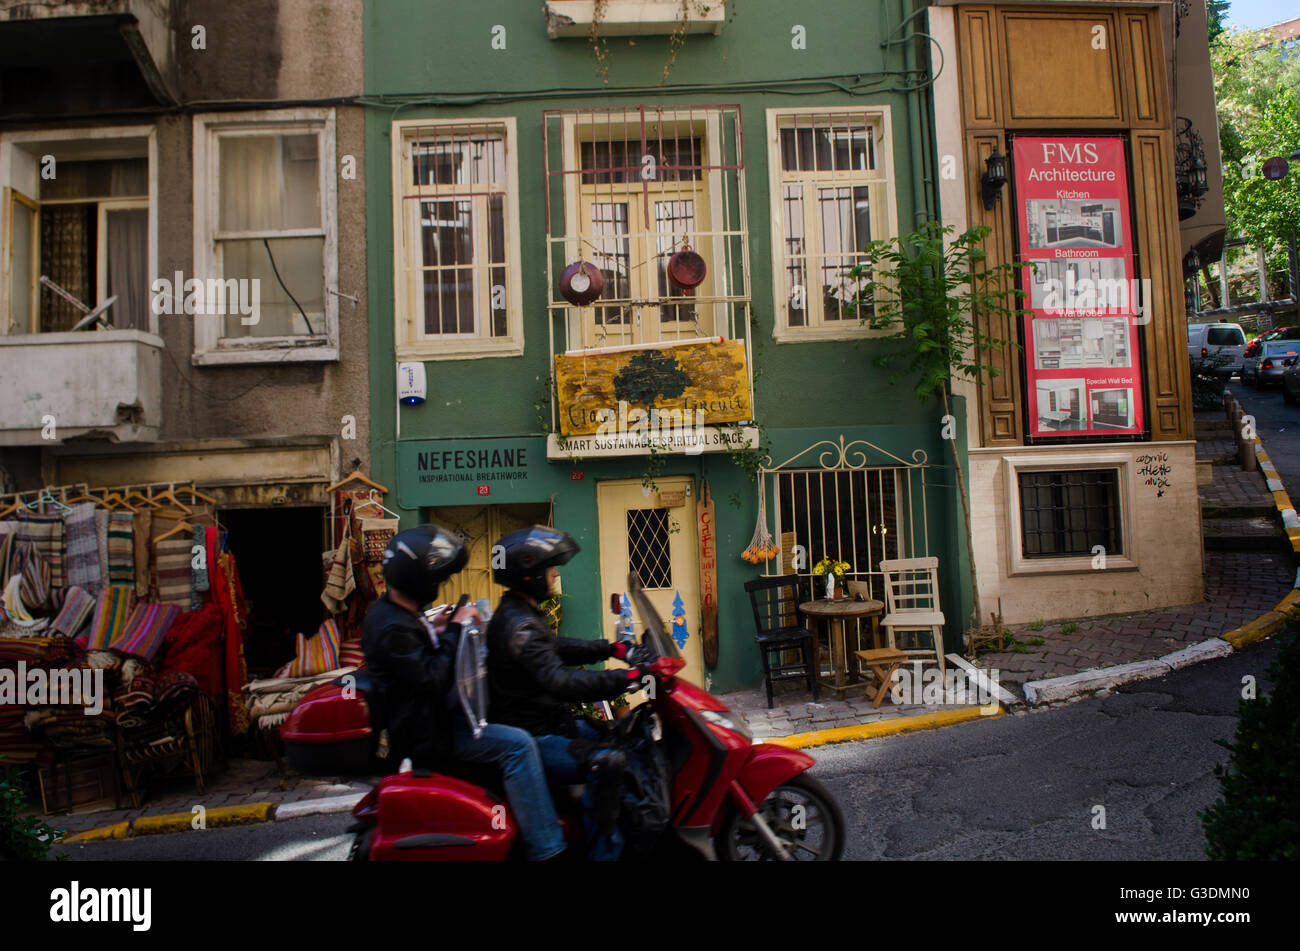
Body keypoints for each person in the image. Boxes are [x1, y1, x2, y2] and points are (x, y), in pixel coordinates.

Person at [361, 524, 569, 862]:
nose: (440, 584)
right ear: (419, 579)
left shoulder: (396, 613)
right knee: (518, 745)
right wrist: (456, 627)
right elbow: (433, 676)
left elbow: (419, 659)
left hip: (431, 721)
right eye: (437, 578)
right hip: (429, 734)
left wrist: (439, 625)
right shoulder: (391, 626)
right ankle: (548, 849)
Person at [488, 525, 648, 860]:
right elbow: (559, 680)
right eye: (549, 569)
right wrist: (626, 678)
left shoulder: (521, 614)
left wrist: (613, 649)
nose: (555, 575)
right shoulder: (519, 625)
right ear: (530, 574)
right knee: (607, 763)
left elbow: (558, 647)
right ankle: (606, 853)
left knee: (624, 732)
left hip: (548, 724)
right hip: (536, 736)